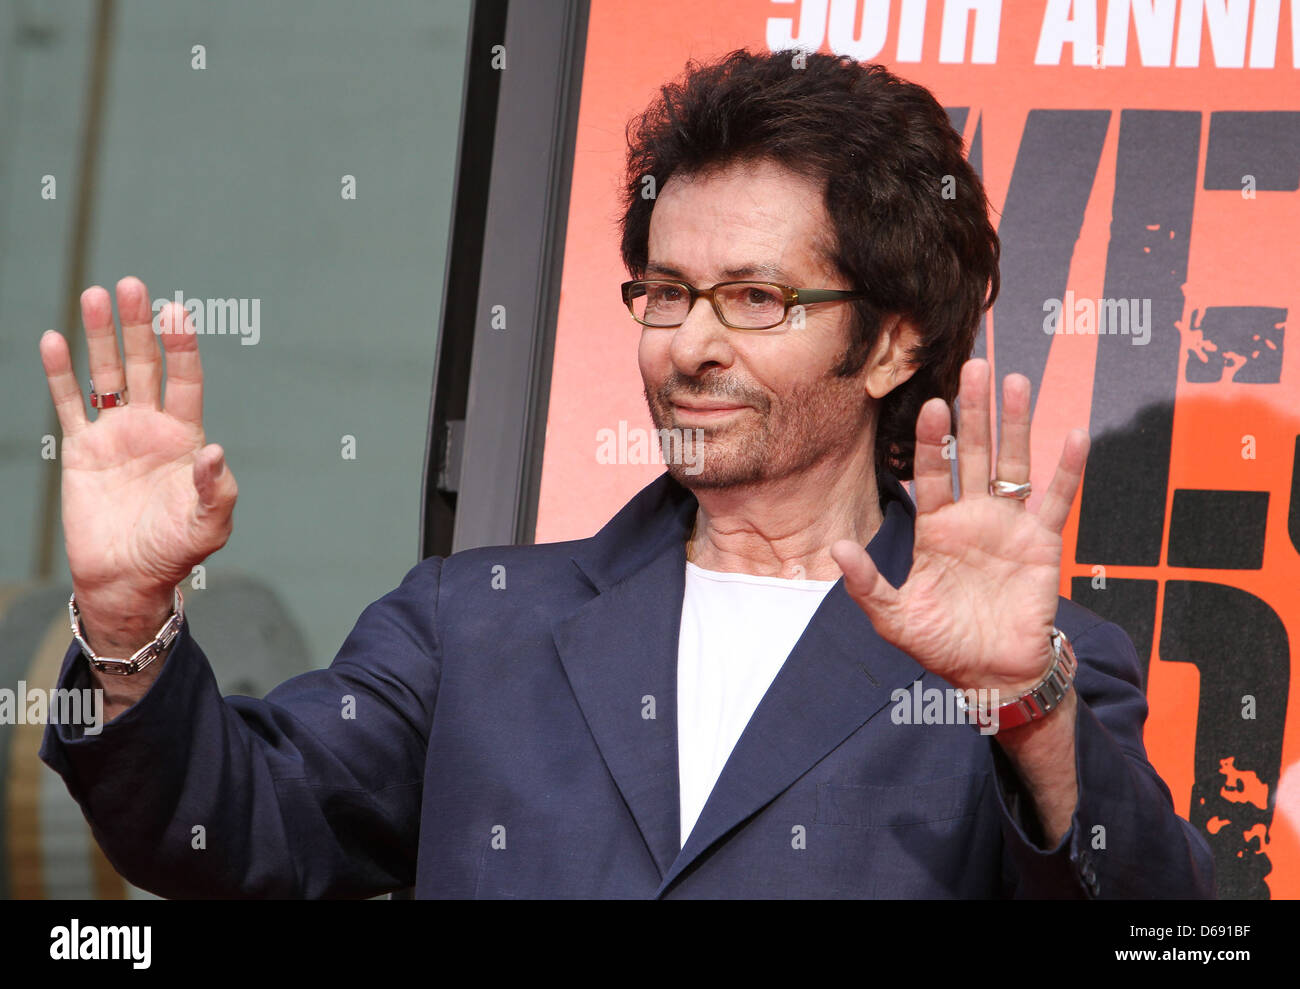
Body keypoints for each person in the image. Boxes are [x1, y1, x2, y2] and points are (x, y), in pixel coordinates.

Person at [38, 49, 1214, 898]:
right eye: (664, 291)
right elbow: (227, 834)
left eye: (757, 297)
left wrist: (1029, 715)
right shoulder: (473, 622)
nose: (689, 342)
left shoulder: (1025, 670)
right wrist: (129, 619)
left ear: (894, 341)